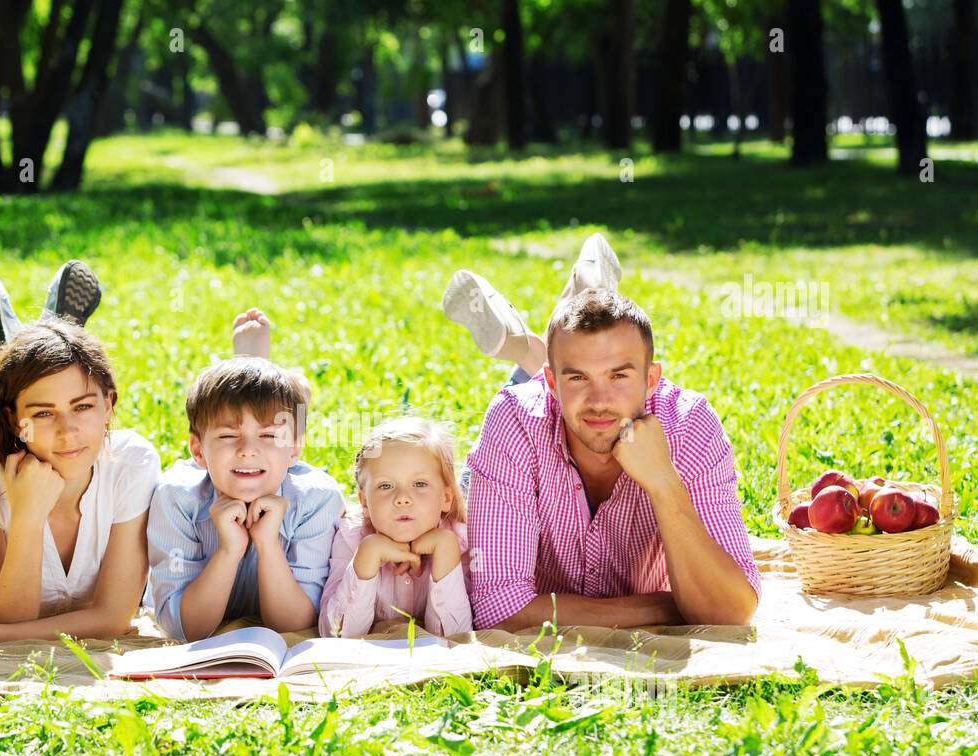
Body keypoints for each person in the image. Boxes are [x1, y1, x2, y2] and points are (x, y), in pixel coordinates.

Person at [444, 234, 761, 632]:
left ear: (651, 380)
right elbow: (498, 609)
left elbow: (733, 611)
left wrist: (663, 483)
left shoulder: (689, 425)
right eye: (577, 378)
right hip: (491, 471)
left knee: (575, 360)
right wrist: (672, 607)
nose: (599, 400)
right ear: (552, 385)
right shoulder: (515, 418)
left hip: (556, 404)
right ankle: (541, 343)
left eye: (619, 376)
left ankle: (541, 338)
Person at [0, 317, 161, 650]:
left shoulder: (133, 462)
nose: (68, 431)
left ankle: (44, 329)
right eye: (43, 413)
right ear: (13, 420)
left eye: (83, 406)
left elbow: (113, 619)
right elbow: (0, 619)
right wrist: (27, 519)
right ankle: (38, 330)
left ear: (108, 406)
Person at [147, 311, 344, 643]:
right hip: (235, 476)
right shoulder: (177, 498)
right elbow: (182, 628)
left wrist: (268, 544)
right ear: (197, 450)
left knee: (267, 426)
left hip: (287, 468)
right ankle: (258, 378)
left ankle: (261, 377)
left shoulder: (317, 499)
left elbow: (295, 624)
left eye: (265, 436)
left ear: (297, 450)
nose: (247, 450)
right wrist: (229, 550)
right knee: (261, 425)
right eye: (227, 436)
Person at [318, 417, 472, 639]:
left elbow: (456, 638)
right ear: (364, 503)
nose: (402, 498)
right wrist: (368, 554)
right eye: (386, 486)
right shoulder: (351, 537)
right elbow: (335, 635)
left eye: (419, 484)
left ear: (446, 498)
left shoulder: (461, 539)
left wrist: (446, 549)